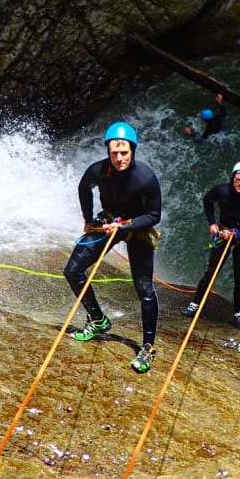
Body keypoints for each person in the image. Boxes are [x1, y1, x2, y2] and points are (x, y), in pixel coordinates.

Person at [63, 122, 164, 373]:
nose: (119, 158)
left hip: (137, 229)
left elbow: (154, 215)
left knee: (145, 290)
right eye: (114, 153)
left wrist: (125, 227)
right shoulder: (97, 171)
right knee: (72, 270)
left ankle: (148, 347)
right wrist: (88, 219)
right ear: (108, 151)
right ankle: (98, 320)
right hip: (108, 222)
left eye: (124, 153)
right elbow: (83, 188)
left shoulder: (145, 177)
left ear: (133, 151)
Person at [181, 161, 240, 330]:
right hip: (223, 232)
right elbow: (207, 201)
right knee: (211, 271)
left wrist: (237, 235)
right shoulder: (221, 191)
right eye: (237, 180)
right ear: (233, 178)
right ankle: (196, 303)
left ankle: (238, 313)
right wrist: (212, 223)